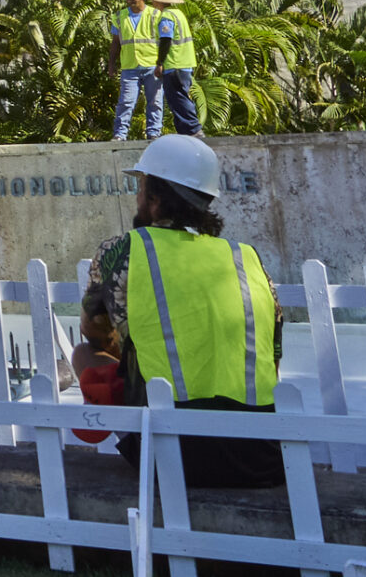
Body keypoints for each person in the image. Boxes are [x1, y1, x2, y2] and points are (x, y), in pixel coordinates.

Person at [74, 134, 281, 486]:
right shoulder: (246, 257)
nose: (136, 198)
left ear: (155, 200)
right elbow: (273, 353)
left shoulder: (124, 251)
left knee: (84, 353)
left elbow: (95, 332)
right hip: (260, 457)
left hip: (171, 455)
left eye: (140, 188)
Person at [108, 0, 173, 141]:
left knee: (155, 101)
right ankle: (120, 134)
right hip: (130, 67)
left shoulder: (156, 15)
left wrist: (163, 63)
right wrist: (111, 64)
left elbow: (165, 41)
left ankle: (153, 133)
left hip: (152, 65)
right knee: (126, 102)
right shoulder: (119, 16)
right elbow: (115, 43)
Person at [145, 0, 203, 138]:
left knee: (178, 99)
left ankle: (193, 130)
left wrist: (159, 63)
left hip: (174, 64)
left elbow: (166, 40)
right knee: (180, 98)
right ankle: (186, 133)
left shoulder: (167, 16)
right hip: (184, 64)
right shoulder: (178, 13)